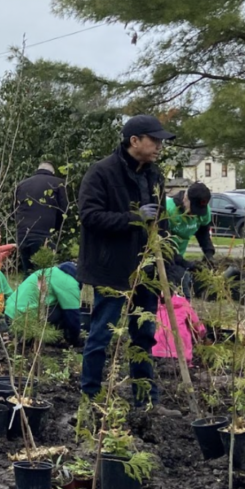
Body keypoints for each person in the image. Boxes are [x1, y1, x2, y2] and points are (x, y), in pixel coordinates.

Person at [77, 114, 180, 414]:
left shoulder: (154, 175)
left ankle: (146, 401)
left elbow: (161, 225)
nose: (160, 145)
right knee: (101, 335)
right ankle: (91, 401)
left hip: (145, 271)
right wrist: (134, 218)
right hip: (110, 269)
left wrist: (168, 270)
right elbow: (90, 216)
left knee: (143, 336)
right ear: (134, 141)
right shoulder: (101, 173)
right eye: (154, 139)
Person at [4, 261, 83, 346]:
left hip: (10, 315)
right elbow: (73, 316)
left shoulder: (50, 271)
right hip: (24, 319)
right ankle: (39, 338)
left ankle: (30, 337)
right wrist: (75, 340)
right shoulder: (69, 283)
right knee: (64, 310)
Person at [163, 182, 215, 297]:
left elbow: (203, 233)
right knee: (183, 285)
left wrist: (209, 253)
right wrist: (186, 263)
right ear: (185, 198)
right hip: (164, 257)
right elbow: (164, 245)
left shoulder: (204, 211)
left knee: (183, 286)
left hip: (179, 257)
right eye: (193, 209)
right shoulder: (168, 210)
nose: (194, 214)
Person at [14, 161, 68, 273]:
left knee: (28, 273)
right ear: (52, 172)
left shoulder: (22, 184)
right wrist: (56, 230)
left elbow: (14, 210)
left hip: (23, 234)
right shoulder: (58, 183)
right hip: (44, 234)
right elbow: (63, 211)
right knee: (46, 273)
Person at [152, 293, 206, 366]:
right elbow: (200, 328)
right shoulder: (183, 302)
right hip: (180, 355)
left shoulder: (150, 303)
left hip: (154, 352)